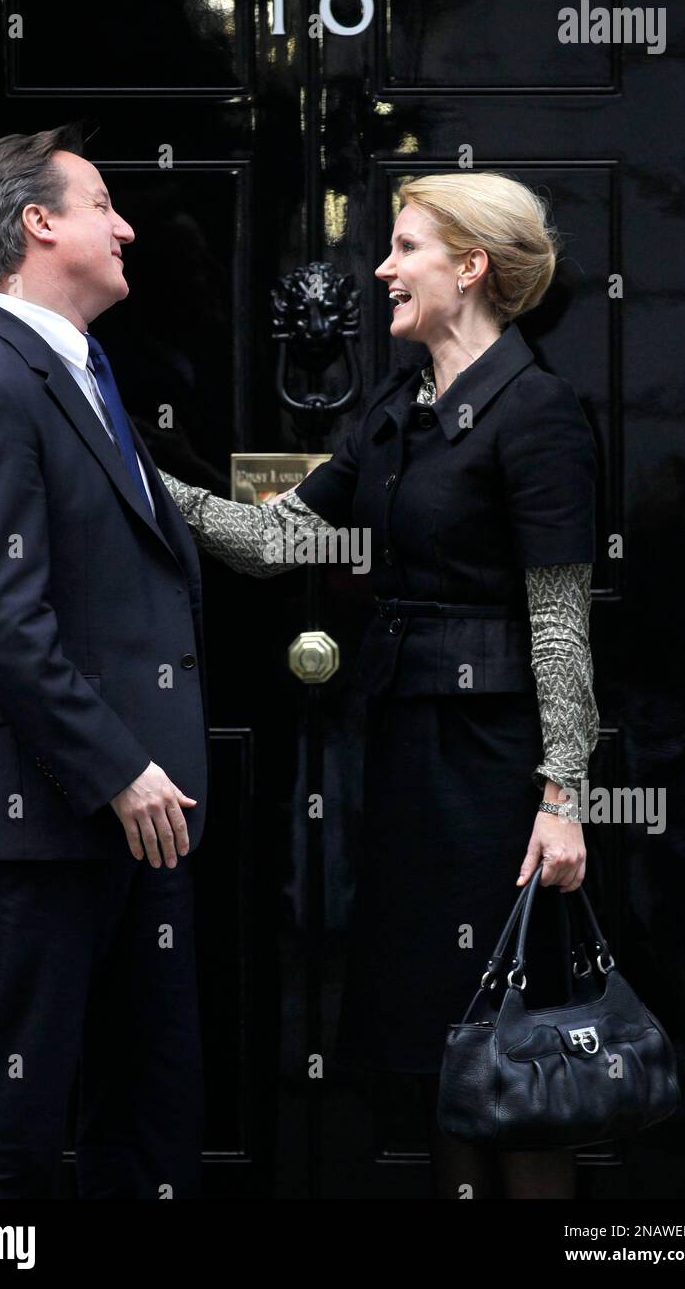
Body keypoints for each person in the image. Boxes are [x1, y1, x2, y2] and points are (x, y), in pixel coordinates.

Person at [158, 172, 599, 1199]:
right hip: (406, 756)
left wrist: (562, 795)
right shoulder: (393, 410)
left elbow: (558, 621)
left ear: (470, 268)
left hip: (497, 774)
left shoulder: (536, 415)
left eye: (404, 249)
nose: (383, 269)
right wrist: (137, 477)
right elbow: (273, 541)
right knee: (437, 1048)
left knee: (517, 1052)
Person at [0, 124, 208, 1198]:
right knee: (13, 1129)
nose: (126, 224)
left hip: (142, 826)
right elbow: (1, 617)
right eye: (101, 206)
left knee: (147, 1116)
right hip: (44, 822)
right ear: (39, 223)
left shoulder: (87, 376)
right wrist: (116, 770)